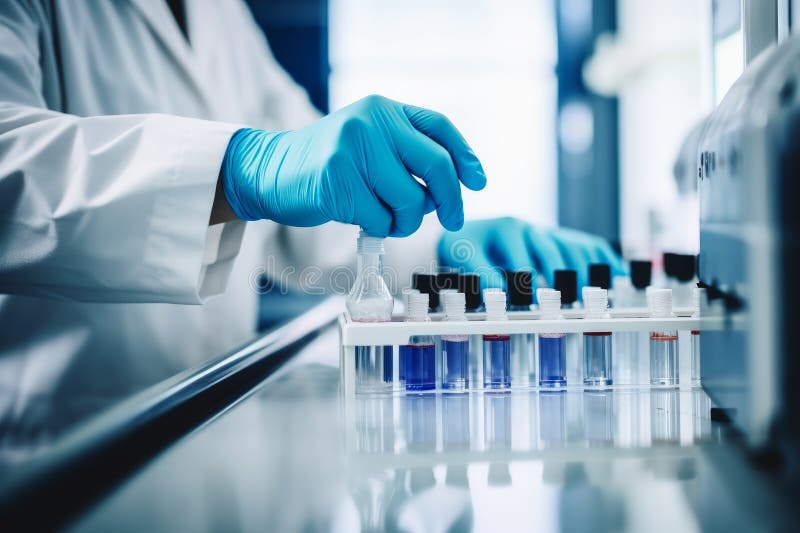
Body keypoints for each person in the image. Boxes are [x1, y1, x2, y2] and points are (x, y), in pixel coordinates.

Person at [0, 0, 622, 438]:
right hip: (60, 449)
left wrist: (442, 254)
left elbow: (311, 203)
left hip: (218, 423)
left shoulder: (221, 14)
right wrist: (239, 168)